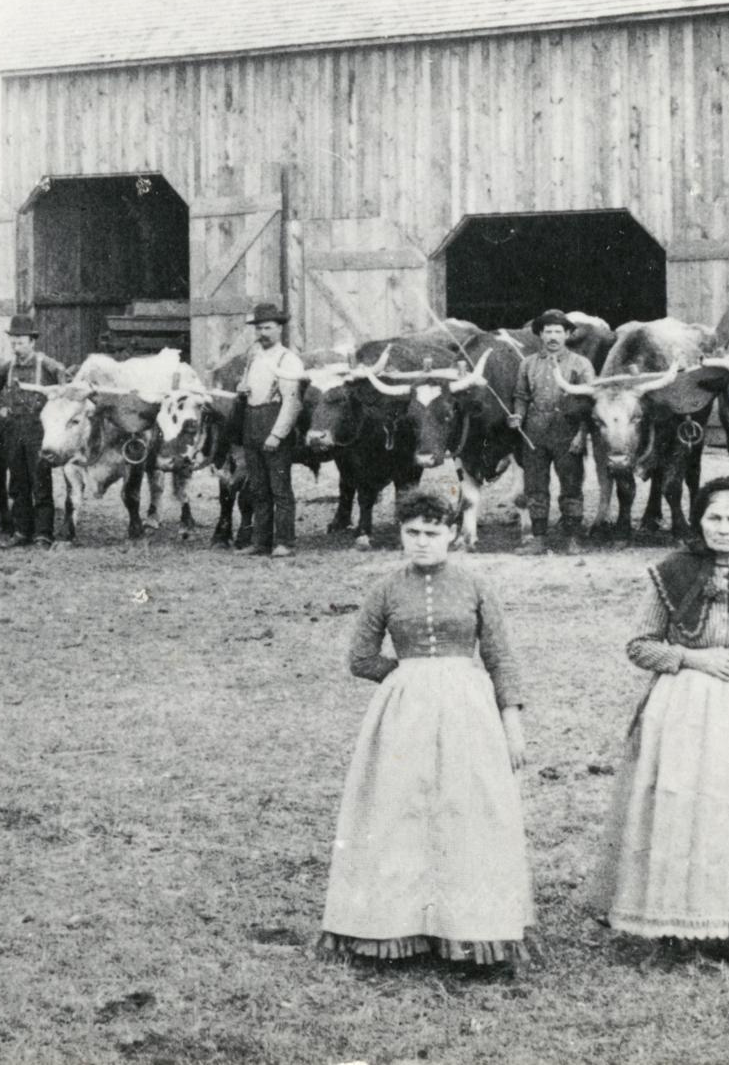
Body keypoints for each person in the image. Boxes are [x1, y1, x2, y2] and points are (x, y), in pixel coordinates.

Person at [586, 476, 729, 973]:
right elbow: (639, 645)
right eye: (714, 517)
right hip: (684, 706)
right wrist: (694, 659)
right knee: (680, 805)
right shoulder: (672, 573)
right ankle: (674, 931)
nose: (723, 529)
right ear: (698, 519)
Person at [320, 492, 534, 971]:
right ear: (401, 534)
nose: (421, 542)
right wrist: (407, 677)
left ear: (453, 535)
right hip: (405, 714)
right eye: (412, 532)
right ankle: (395, 933)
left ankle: (472, 936)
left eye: (432, 533)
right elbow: (359, 658)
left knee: (469, 810)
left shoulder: (476, 585)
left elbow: (501, 658)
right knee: (401, 810)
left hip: (469, 711)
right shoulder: (385, 589)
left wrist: (512, 722)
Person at [508, 310, 595, 554]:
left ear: (567, 334)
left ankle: (572, 538)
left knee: (571, 486)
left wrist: (582, 434)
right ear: (540, 335)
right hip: (534, 433)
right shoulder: (528, 364)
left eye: (558, 331)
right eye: (548, 332)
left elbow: (590, 402)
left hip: (568, 433)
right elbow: (521, 396)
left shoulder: (581, 364)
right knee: (535, 487)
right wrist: (518, 417)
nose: (553, 336)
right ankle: (538, 539)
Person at [0, 315, 69, 548]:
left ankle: (43, 534)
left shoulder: (48, 365)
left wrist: (56, 405)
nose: (16, 346)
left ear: (32, 341)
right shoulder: (7, 368)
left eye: (20, 342)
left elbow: (66, 385)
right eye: (13, 342)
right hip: (13, 432)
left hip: (38, 432)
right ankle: (22, 532)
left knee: (40, 482)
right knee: (18, 484)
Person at [238, 302, 304, 558]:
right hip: (252, 421)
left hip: (273, 421)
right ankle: (260, 542)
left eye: (267, 328)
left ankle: (285, 542)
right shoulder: (254, 357)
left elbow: (292, 402)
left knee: (280, 488)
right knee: (258, 488)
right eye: (258, 328)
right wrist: (241, 389)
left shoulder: (288, 360)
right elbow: (247, 386)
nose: (262, 333)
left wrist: (277, 434)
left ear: (279, 329)